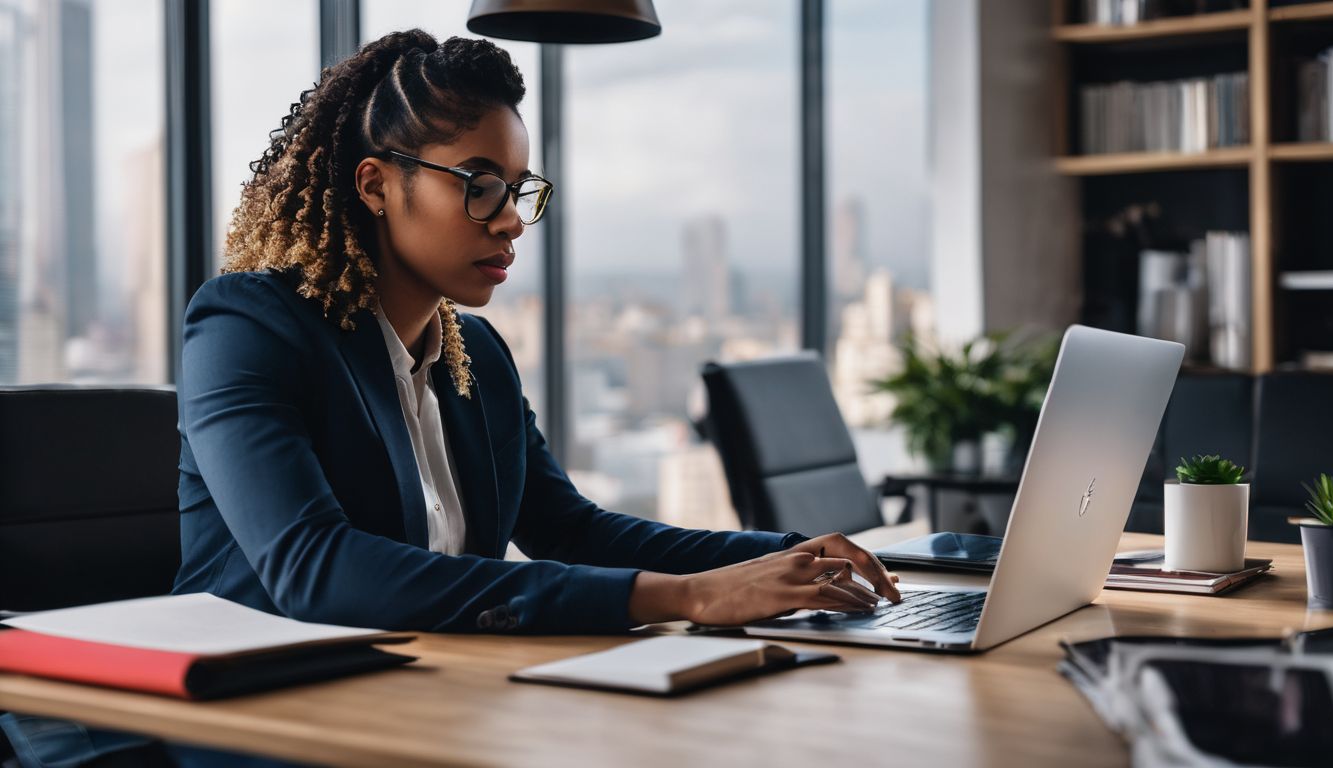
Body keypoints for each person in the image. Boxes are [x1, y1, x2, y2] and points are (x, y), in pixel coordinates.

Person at [0, 29, 900, 768]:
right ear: (375, 185)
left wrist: (784, 559)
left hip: (444, 708)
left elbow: (570, 528)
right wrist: (687, 598)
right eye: (479, 186)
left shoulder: (479, 356)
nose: (510, 218)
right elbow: (315, 570)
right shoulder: (248, 327)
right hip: (277, 735)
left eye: (518, 192)